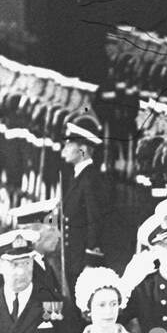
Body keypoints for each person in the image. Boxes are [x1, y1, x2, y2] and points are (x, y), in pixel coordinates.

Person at [61, 115, 111, 287]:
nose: (64, 150)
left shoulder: (90, 180)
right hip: (73, 257)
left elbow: (95, 220)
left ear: (82, 150)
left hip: (83, 261)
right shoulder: (77, 176)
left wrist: (91, 260)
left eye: (68, 145)